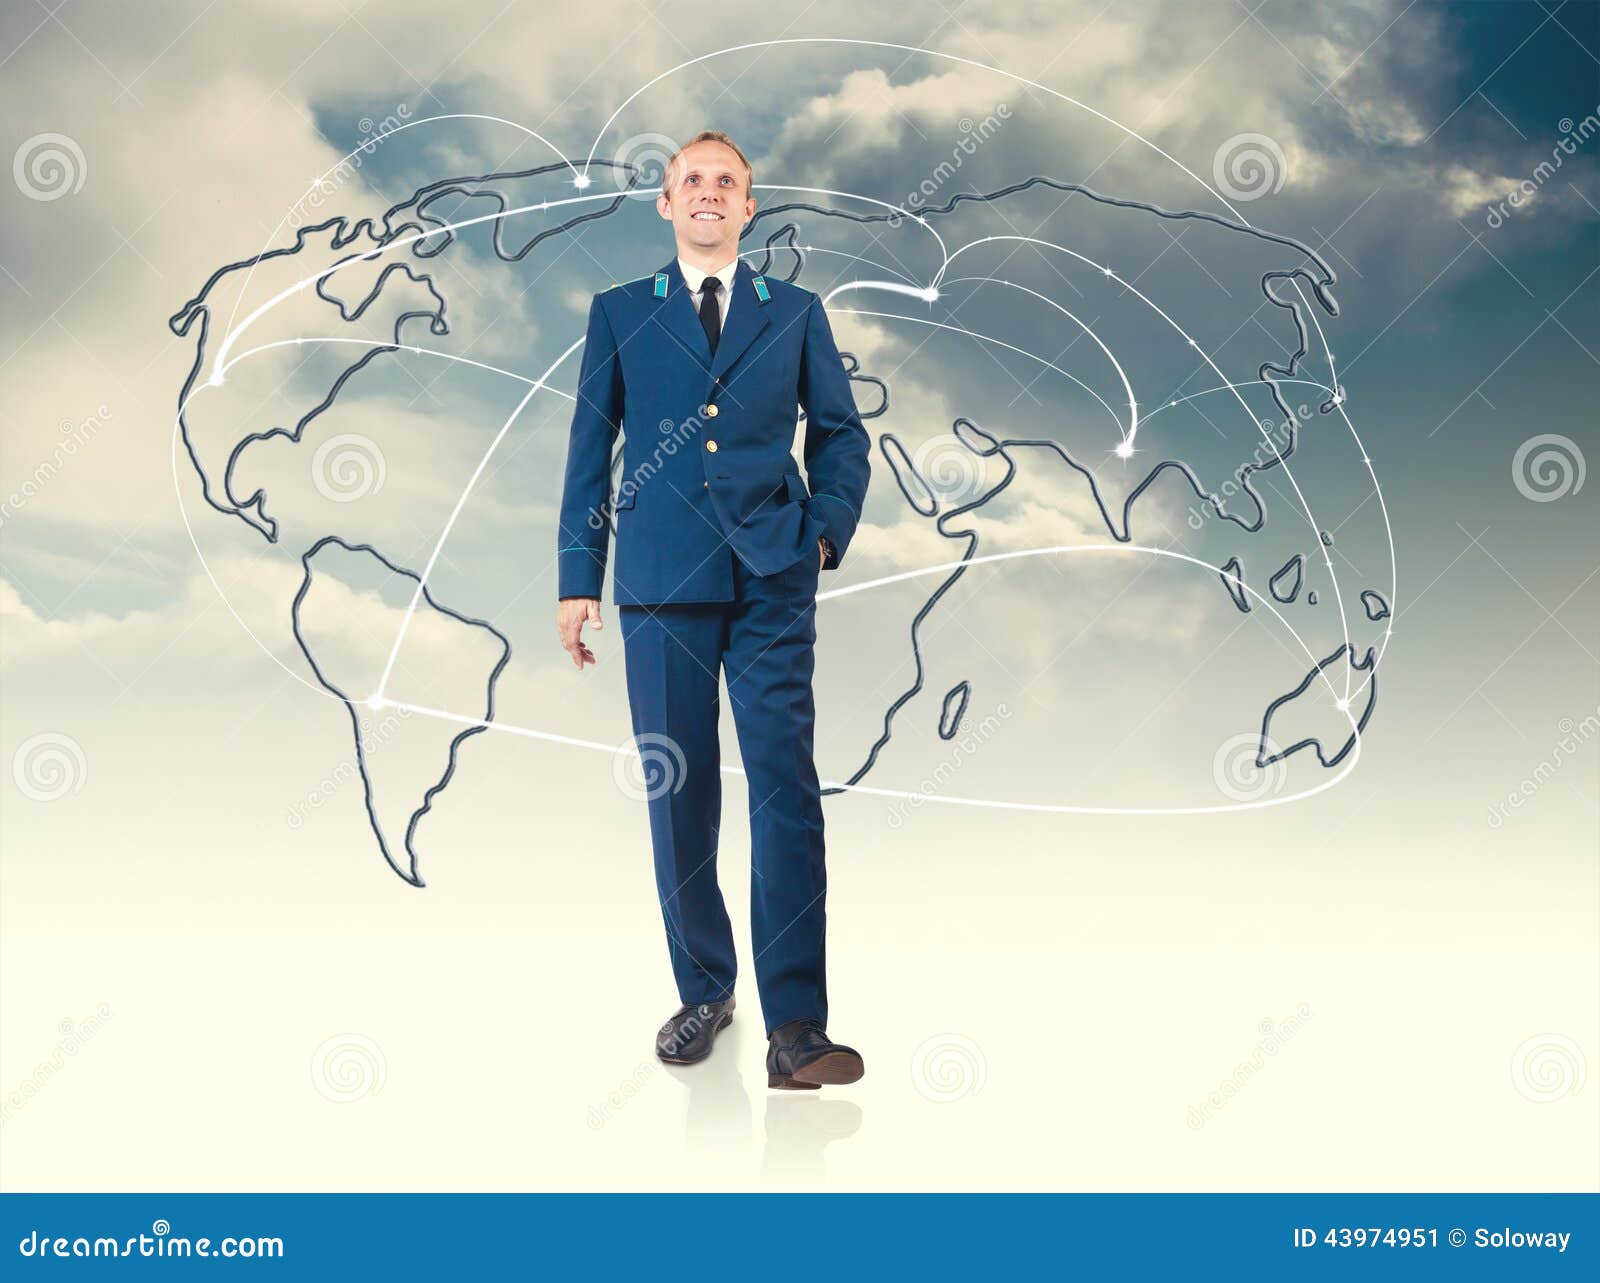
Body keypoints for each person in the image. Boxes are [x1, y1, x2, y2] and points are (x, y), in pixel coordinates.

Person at [555, 130, 872, 1089]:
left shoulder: (798, 312)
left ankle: (798, 1027)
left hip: (774, 579)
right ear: (665, 202)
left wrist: (819, 535)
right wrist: (579, 577)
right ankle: (705, 988)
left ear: (748, 206)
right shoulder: (619, 315)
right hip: (658, 584)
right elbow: (589, 444)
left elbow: (844, 436)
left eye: (723, 182)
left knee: (786, 791)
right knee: (680, 794)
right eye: (689, 179)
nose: (706, 192)